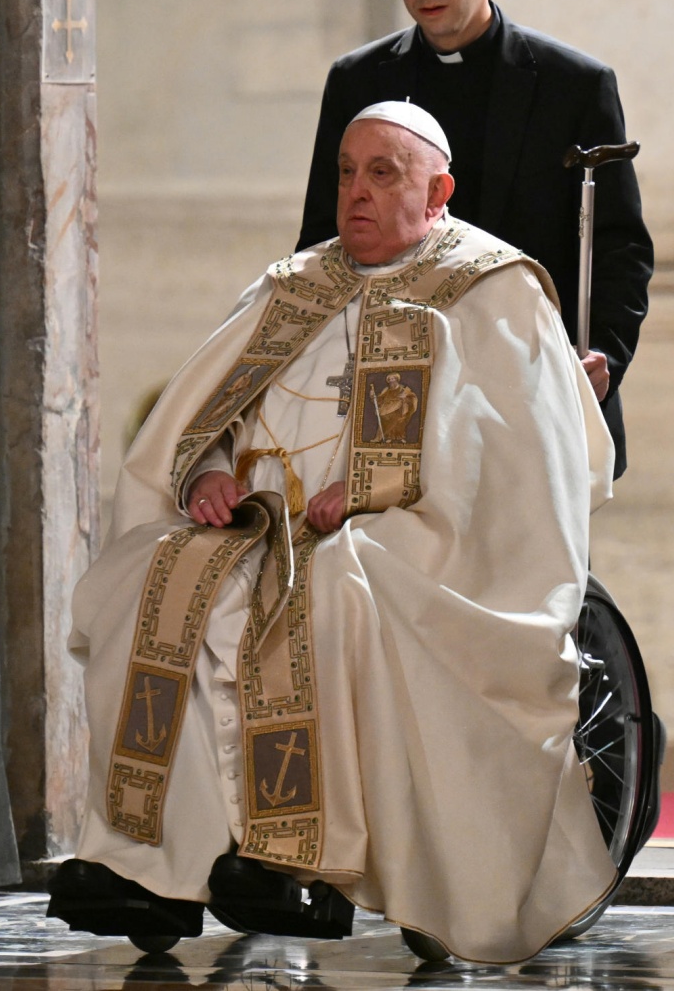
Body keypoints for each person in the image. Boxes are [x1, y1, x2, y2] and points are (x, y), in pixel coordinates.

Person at [51, 102, 617, 964]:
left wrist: (367, 496)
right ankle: (145, 865)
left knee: (327, 592)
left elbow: (513, 466)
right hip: (254, 528)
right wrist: (205, 470)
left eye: (383, 174)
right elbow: (207, 414)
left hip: (413, 539)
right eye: (347, 172)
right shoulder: (295, 284)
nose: (356, 192)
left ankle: (296, 860)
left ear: (439, 191)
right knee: (153, 580)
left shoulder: (491, 291)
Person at [295, 0, 652, 475]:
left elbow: (620, 248)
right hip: (394, 399)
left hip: (533, 397)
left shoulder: (575, 86)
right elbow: (321, 238)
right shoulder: (359, 82)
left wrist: (606, 358)